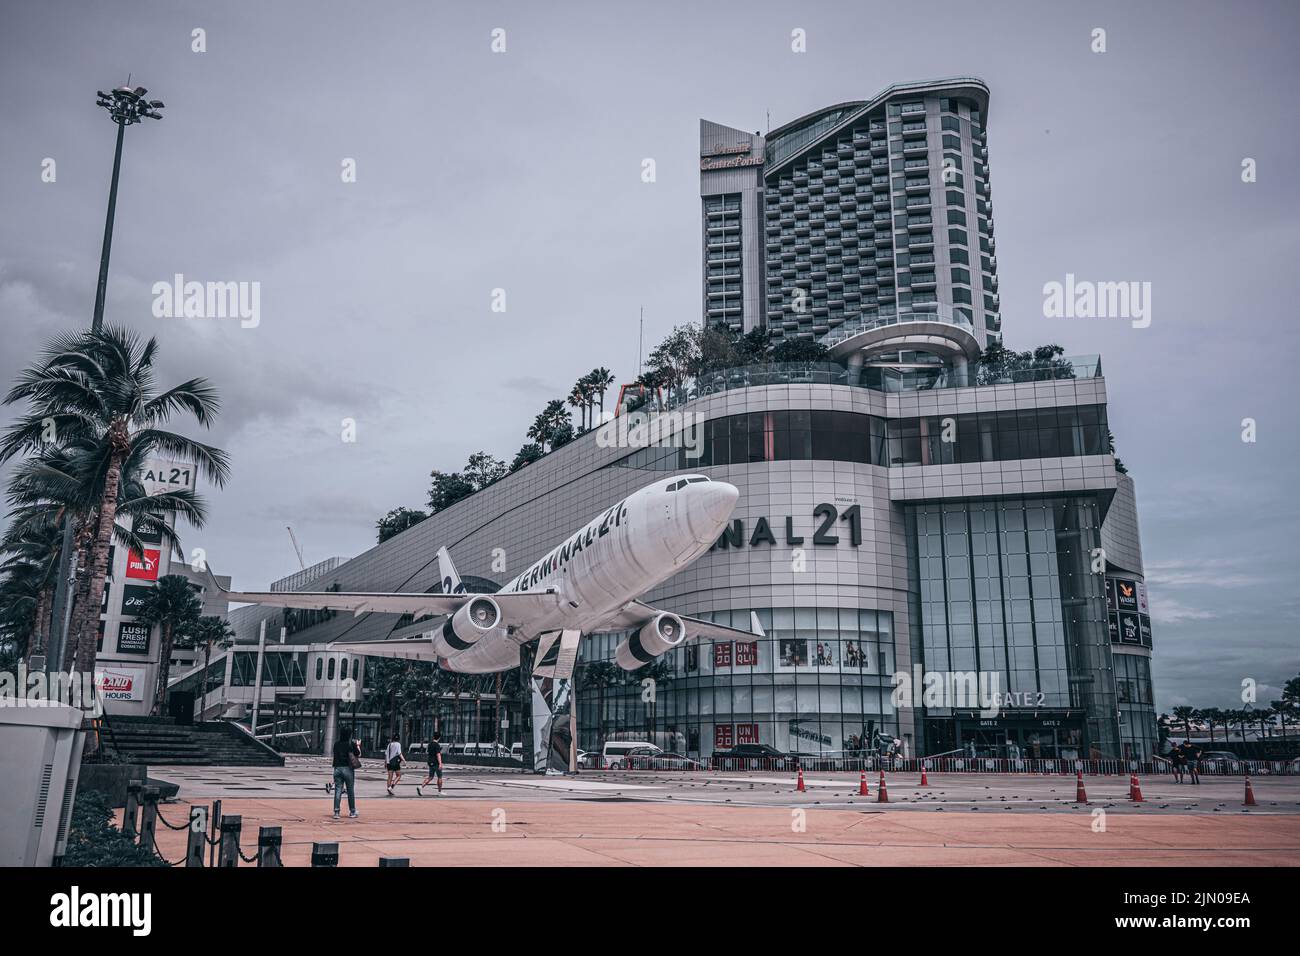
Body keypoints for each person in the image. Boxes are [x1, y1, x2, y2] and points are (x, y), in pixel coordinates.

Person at [330, 728, 360, 819]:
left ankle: (336, 812)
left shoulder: (336, 744)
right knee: (350, 790)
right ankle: (352, 811)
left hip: (337, 769)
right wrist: (358, 745)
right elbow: (357, 753)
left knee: (338, 790)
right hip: (348, 769)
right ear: (349, 735)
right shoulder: (350, 744)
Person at [417, 730, 444, 796]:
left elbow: (428, 753)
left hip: (430, 762)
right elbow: (438, 754)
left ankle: (421, 787)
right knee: (439, 777)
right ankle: (439, 792)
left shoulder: (430, 744)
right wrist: (440, 763)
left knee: (430, 777)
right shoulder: (437, 745)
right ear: (439, 737)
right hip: (436, 763)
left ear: (433, 737)